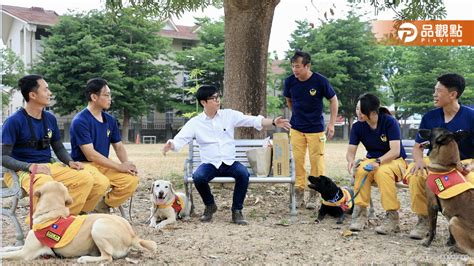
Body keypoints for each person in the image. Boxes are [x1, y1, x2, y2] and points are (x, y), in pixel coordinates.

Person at [163, 85, 291, 225]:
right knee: (198, 177)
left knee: (243, 174)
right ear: (203, 102)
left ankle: (237, 211)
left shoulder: (228, 115)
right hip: (210, 163)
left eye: (218, 97)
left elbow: (253, 120)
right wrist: (171, 144)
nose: (218, 100)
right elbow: (180, 139)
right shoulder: (195, 123)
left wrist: (273, 122)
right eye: (213, 98)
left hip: (229, 162)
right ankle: (210, 205)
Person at [1, 74, 107, 217]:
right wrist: (29, 166)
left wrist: (69, 161)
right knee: (47, 185)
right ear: (32, 95)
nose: (50, 93)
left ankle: (66, 219)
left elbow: (58, 147)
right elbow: (3, 157)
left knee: (87, 179)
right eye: (46, 90)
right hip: (21, 171)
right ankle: (40, 226)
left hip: (48, 166)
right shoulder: (14, 121)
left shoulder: (50, 118)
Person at [403, 73, 474, 240]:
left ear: (452, 94)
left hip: (463, 164)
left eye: (438, 91)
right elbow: (417, 147)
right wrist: (419, 161)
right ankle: (423, 220)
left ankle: (466, 226)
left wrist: (471, 166)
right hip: (435, 164)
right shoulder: (430, 117)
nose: (434, 94)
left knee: (470, 182)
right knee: (416, 175)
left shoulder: (471, 117)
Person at [69, 78, 139, 213]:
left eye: (110, 95)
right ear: (94, 97)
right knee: (101, 183)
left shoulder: (110, 120)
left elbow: (118, 146)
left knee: (131, 180)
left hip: (103, 165)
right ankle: (81, 214)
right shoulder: (80, 121)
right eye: (106, 95)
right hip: (84, 165)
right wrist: (119, 166)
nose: (110, 98)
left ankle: (102, 206)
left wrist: (127, 164)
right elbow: (90, 154)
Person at [283, 50, 339, 209]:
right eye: (293, 66)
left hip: (316, 130)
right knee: (298, 162)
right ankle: (298, 193)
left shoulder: (320, 81)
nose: (295, 70)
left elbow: (333, 101)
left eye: (298, 66)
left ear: (307, 66)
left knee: (317, 163)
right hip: (296, 129)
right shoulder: (289, 82)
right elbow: (289, 101)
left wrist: (332, 124)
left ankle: (314, 195)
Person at [346, 93, 407, 234]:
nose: (358, 113)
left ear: (373, 112)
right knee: (361, 170)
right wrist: (351, 161)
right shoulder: (357, 126)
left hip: (395, 161)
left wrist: (379, 162)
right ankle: (361, 215)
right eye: (356, 109)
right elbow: (351, 152)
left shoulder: (389, 122)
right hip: (373, 160)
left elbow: (395, 151)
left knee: (382, 172)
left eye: (361, 111)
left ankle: (392, 217)